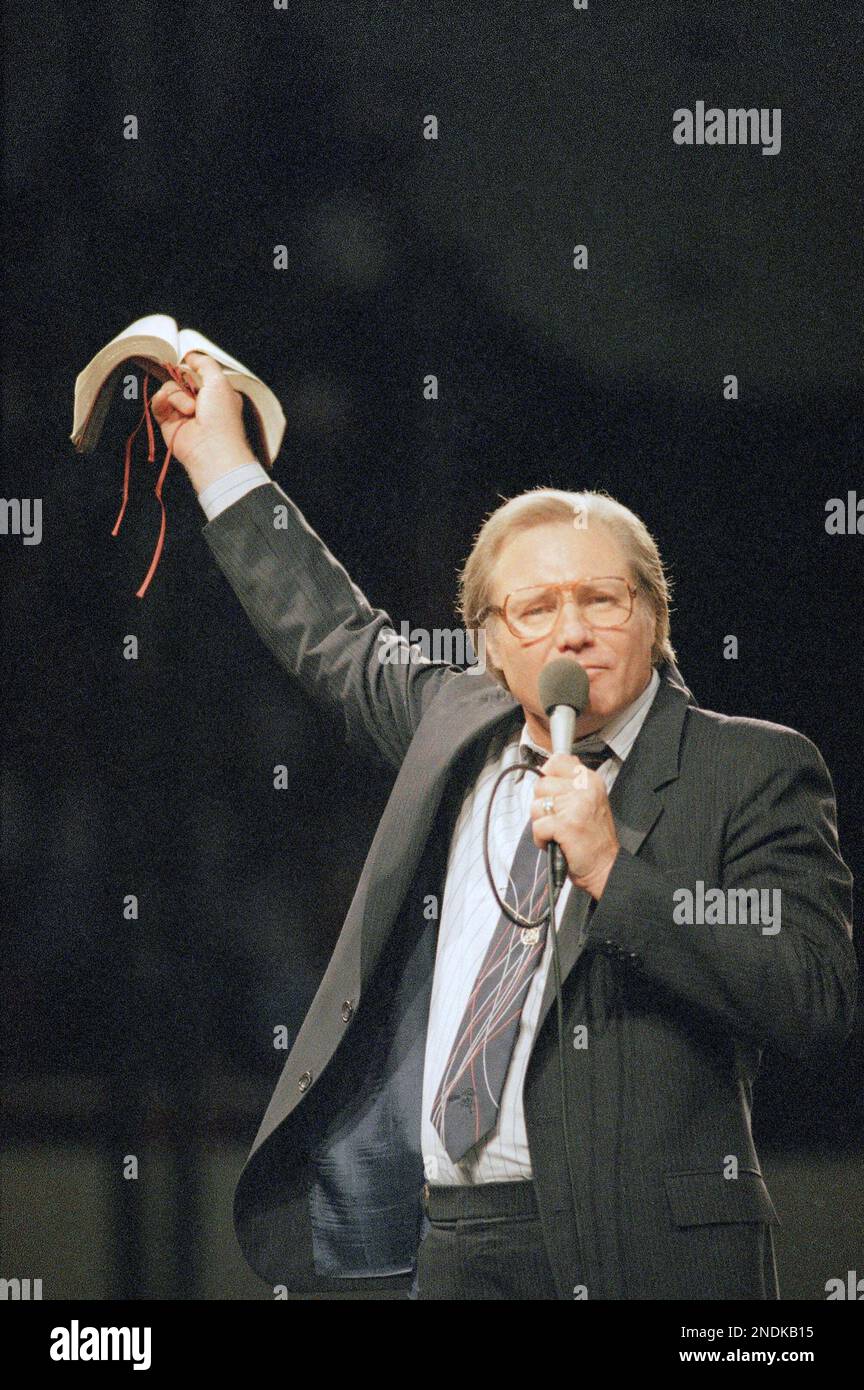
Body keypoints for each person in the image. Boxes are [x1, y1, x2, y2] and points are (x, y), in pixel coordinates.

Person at [151, 352, 856, 1300]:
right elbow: (330, 633)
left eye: (602, 600)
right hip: (447, 1233)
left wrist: (617, 873)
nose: (571, 632)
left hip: (640, 1246)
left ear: (654, 617)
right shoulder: (456, 724)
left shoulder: (750, 767)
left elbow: (816, 996)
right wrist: (216, 458)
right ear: (488, 638)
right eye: (536, 608)